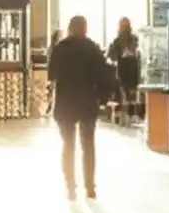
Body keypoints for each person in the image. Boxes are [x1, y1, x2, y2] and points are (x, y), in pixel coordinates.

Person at [48, 15, 108, 200]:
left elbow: (52, 75)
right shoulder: (92, 48)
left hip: (65, 102)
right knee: (88, 144)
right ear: (85, 28)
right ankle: (90, 186)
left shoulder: (60, 49)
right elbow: (102, 75)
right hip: (87, 102)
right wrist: (104, 98)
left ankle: (70, 185)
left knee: (68, 144)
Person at [107, 18, 141, 122]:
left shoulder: (132, 39)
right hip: (125, 69)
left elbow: (111, 55)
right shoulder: (119, 40)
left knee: (129, 92)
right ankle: (124, 114)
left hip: (129, 70)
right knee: (124, 92)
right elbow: (111, 55)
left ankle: (127, 114)